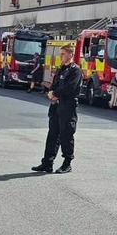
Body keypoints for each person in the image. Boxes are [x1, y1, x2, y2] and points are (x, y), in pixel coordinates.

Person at [32, 43, 81, 174]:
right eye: (61, 54)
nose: (61, 56)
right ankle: (47, 162)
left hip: (68, 106)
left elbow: (70, 87)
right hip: (56, 106)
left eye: (63, 54)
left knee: (66, 134)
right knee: (52, 134)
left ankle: (67, 163)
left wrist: (55, 94)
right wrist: (51, 92)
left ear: (71, 54)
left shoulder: (75, 70)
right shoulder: (61, 69)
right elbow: (55, 84)